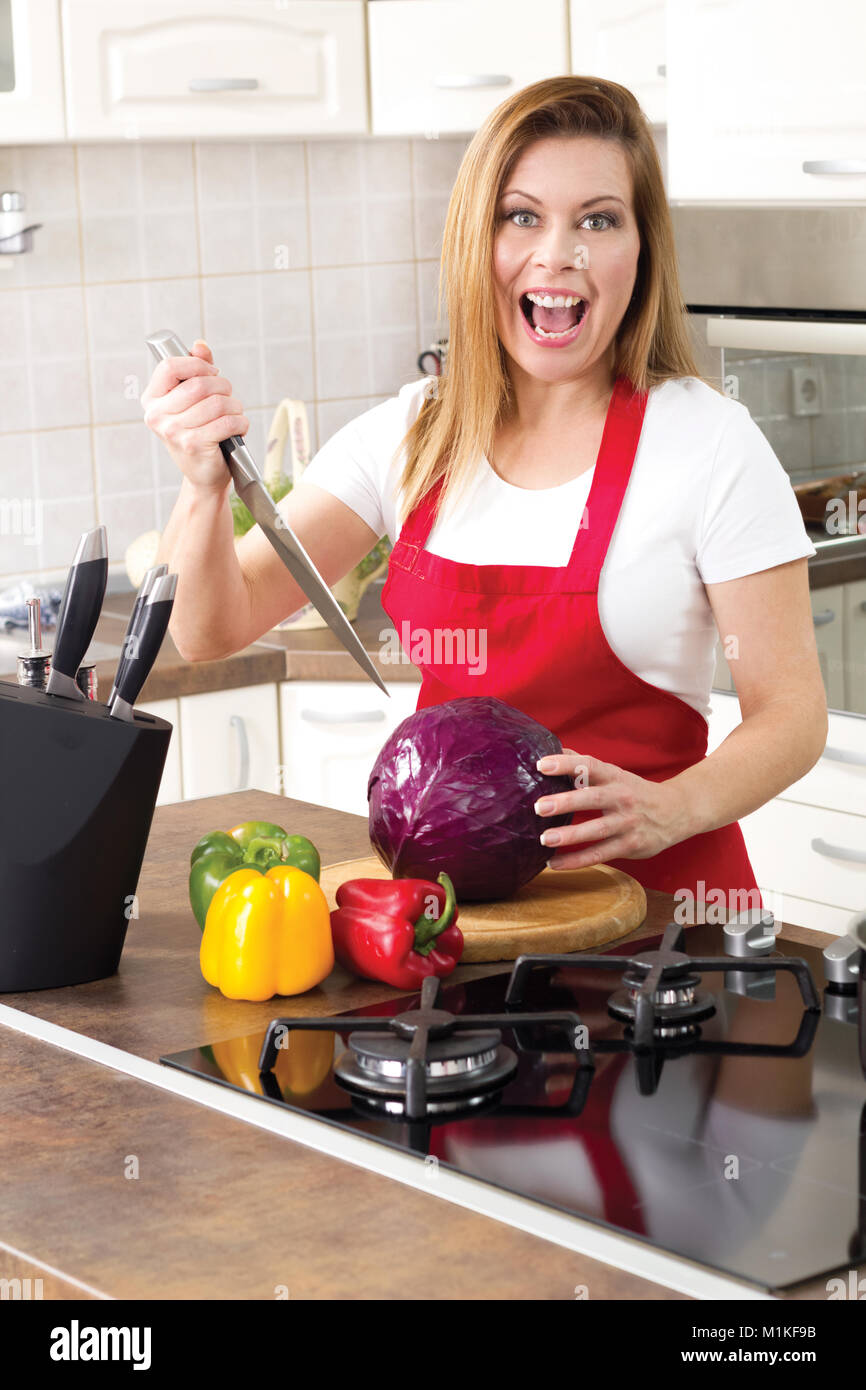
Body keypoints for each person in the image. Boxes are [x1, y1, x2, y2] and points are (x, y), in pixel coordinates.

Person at [141, 75, 827, 905]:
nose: (557, 254)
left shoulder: (709, 444)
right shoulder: (413, 434)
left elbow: (791, 715)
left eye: (599, 220)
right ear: (480, 238)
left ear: (640, 250)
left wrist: (668, 809)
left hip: (666, 940)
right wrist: (204, 489)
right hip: (457, 937)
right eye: (522, 215)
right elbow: (213, 627)